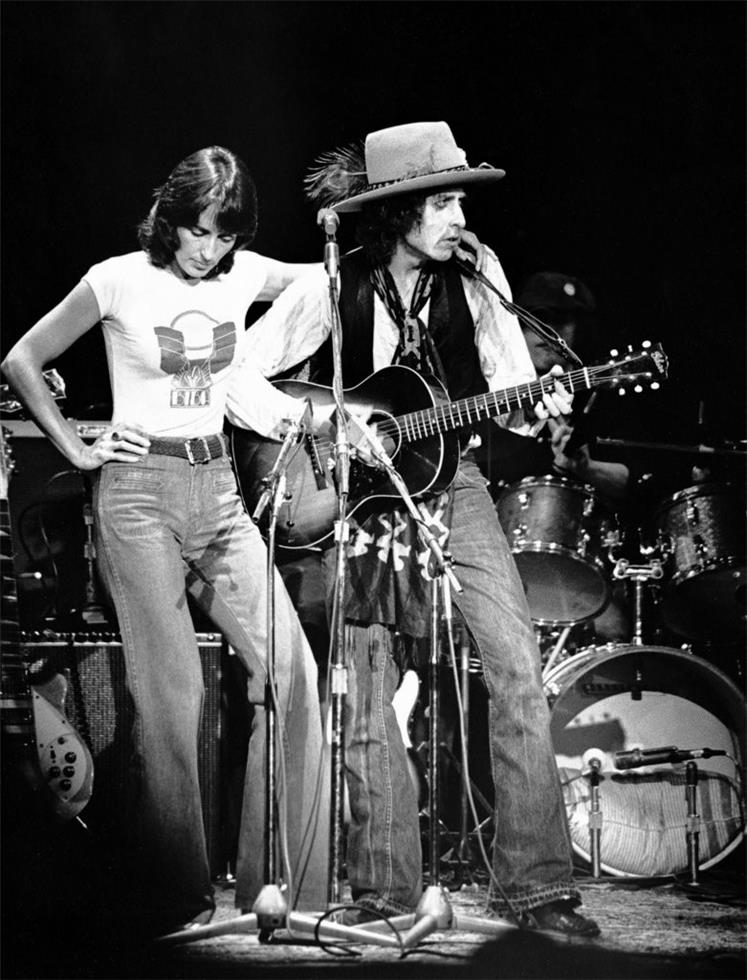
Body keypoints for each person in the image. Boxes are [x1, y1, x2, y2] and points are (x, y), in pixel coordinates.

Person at [228, 122, 601, 936]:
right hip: (358, 496)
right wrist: (321, 426)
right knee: (362, 688)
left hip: (453, 484)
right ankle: (385, 891)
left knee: (514, 664)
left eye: (459, 196)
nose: (458, 213)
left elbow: (506, 382)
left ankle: (534, 888)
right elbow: (234, 376)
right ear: (395, 213)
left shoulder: (479, 273)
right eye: (441, 199)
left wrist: (542, 406)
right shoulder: (333, 283)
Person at [0, 146, 334, 938]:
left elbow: (322, 279)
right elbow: (21, 358)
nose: (208, 250)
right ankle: (174, 896)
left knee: (292, 669)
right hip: (138, 496)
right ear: (172, 216)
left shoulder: (243, 273)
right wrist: (80, 449)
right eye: (198, 232)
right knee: (171, 696)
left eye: (224, 237)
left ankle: (283, 885)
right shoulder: (117, 277)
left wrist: (345, 228)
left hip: (217, 490)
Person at [474, 270, 631, 643]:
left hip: (576, 572)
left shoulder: (596, 396)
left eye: (562, 323)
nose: (549, 333)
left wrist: (585, 468)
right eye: (538, 322)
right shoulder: (487, 388)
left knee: (615, 626)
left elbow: (632, 481)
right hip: (491, 559)